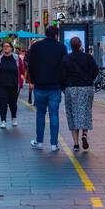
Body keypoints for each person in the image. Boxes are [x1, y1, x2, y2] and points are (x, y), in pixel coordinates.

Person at [26, 25, 67, 153]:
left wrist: (32, 81)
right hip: (55, 86)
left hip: (40, 85)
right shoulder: (62, 48)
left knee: (40, 114)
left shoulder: (36, 47)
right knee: (54, 115)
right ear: (56, 35)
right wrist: (62, 83)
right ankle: (54, 144)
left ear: (45, 34)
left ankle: (39, 141)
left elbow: (30, 65)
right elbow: (64, 67)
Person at [62, 36, 99, 151]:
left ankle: (75, 143)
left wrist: (64, 87)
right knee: (86, 111)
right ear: (81, 45)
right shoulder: (88, 57)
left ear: (70, 46)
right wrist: (90, 79)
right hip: (86, 87)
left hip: (71, 87)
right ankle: (84, 133)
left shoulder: (66, 59)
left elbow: (62, 74)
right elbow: (95, 70)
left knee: (72, 113)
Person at [0, 41, 26, 129]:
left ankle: (14, 117)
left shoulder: (16, 58)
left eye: (7, 46)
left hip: (14, 84)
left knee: (13, 103)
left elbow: (22, 70)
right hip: (0, 85)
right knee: (2, 102)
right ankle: (3, 121)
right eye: (4, 46)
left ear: (11, 48)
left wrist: (22, 79)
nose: (6, 47)